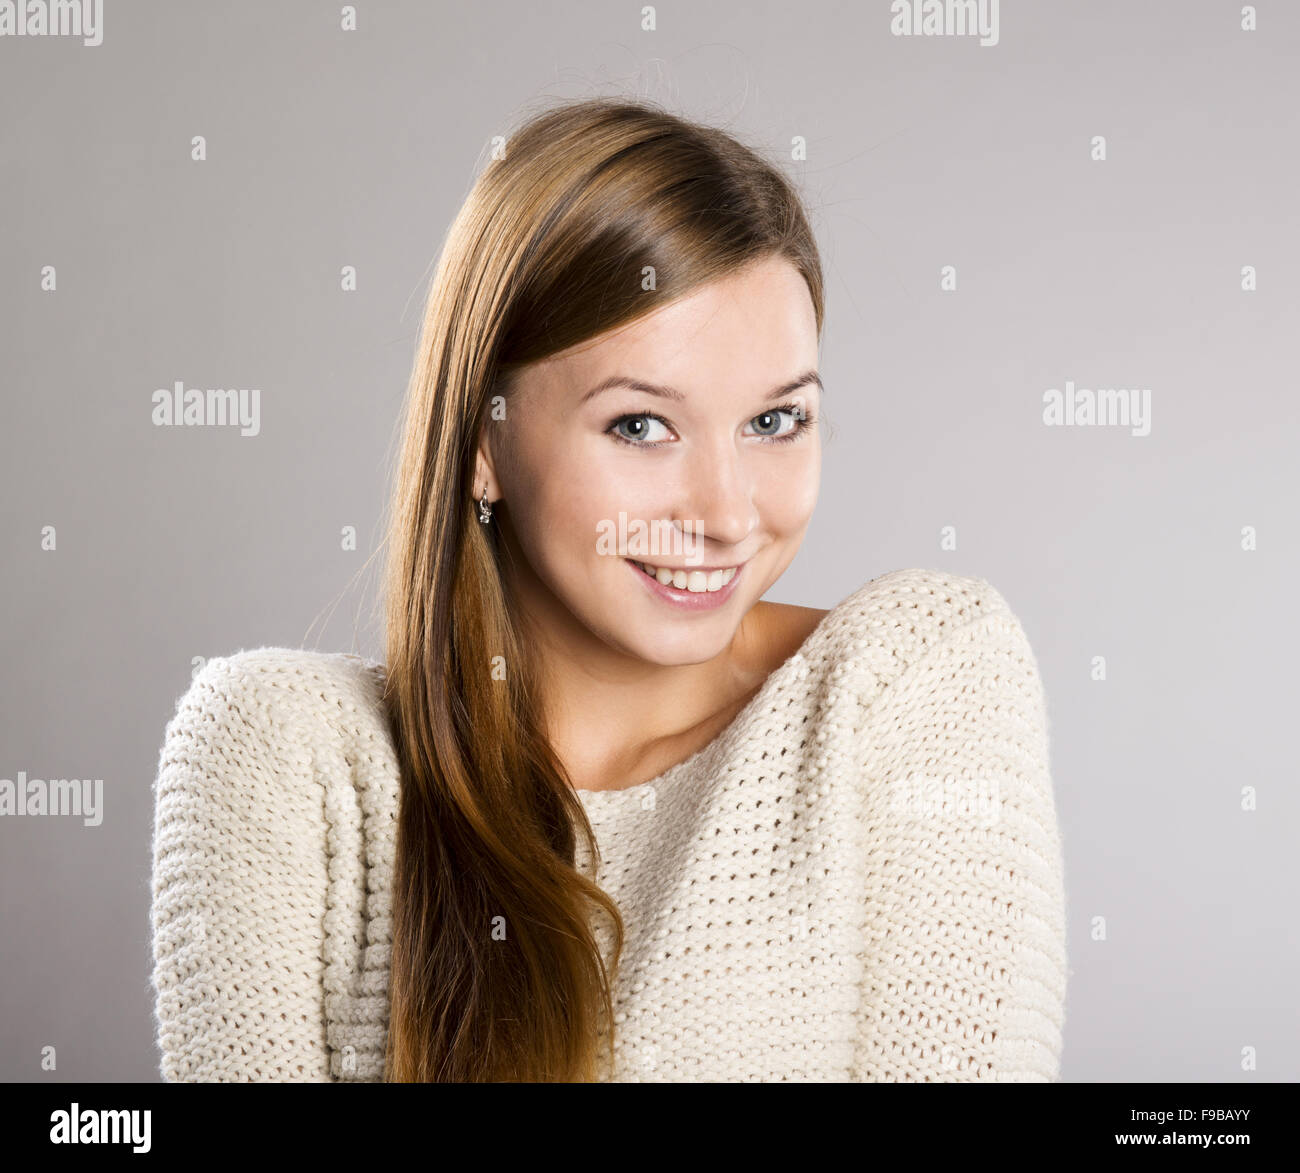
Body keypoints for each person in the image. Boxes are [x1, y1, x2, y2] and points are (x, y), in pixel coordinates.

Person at [150, 96, 1067, 1083]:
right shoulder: (286, 761)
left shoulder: (909, 686)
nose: (724, 513)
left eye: (774, 422)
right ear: (484, 442)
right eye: (639, 426)